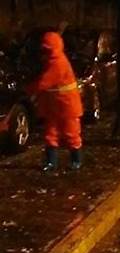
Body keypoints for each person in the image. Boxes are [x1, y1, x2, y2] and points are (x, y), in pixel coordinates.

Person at [27, 31, 83, 172]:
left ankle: (76, 160)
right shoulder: (53, 60)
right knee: (51, 133)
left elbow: (45, 82)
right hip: (55, 104)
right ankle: (52, 162)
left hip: (67, 104)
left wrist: (28, 90)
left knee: (71, 133)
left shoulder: (58, 63)